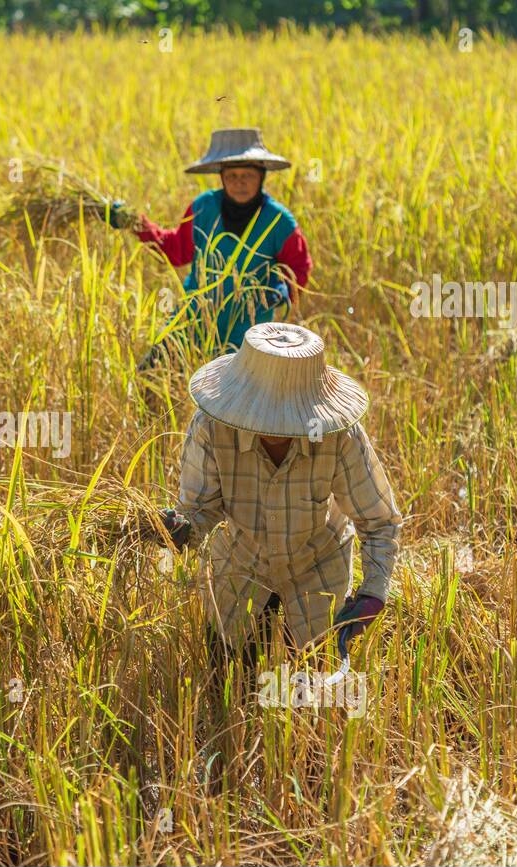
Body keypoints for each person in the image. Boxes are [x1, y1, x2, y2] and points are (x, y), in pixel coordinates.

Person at [152, 322, 401, 695]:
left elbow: (379, 520)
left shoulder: (337, 436)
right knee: (228, 683)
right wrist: (180, 528)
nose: (276, 427)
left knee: (310, 690)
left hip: (317, 565)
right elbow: (199, 510)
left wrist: (373, 592)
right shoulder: (211, 428)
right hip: (240, 562)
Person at [103, 129, 313, 369]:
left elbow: (299, 268)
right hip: (194, 320)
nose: (240, 182)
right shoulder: (204, 207)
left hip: (248, 333)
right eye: (232, 176)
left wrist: (281, 292)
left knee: (231, 402)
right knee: (151, 377)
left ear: (261, 176)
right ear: (222, 178)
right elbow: (174, 249)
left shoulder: (279, 221)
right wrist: (134, 222)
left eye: (248, 175)